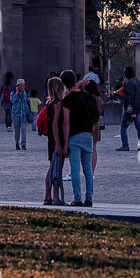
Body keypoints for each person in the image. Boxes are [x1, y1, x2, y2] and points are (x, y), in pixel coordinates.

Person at [58, 70, 97, 207]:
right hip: (88, 134)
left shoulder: (68, 99)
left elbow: (66, 123)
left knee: (75, 170)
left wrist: (65, 143)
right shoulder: (87, 97)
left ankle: (77, 198)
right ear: (75, 79)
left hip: (74, 136)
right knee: (88, 169)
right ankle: (89, 198)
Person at [44, 77, 67, 206]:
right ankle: (55, 197)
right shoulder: (58, 104)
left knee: (51, 168)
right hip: (57, 139)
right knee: (57, 169)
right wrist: (59, 144)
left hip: (51, 139)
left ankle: (47, 196)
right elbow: (55, 124)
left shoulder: (49, 103)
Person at [117, 66, 140, 150]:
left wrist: (119, 95)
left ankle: (125, 145)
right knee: (138, 126)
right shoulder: (137, 81)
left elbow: (129, 97)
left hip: (130, 109)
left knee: (123, 126)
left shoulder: (130, 83)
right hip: (137, 108)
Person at [11, 77, 32, 150]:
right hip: (15, 114)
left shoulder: (25, 93)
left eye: (24, 85)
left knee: (24, 130)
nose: (23, 86)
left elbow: (25, 102)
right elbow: (12, 101)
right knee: (17, 130)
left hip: (23, 114)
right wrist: (17, 93)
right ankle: (17, 143)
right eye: (21, 85)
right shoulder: (13, 93)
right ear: (18, 86)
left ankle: (23, 144)